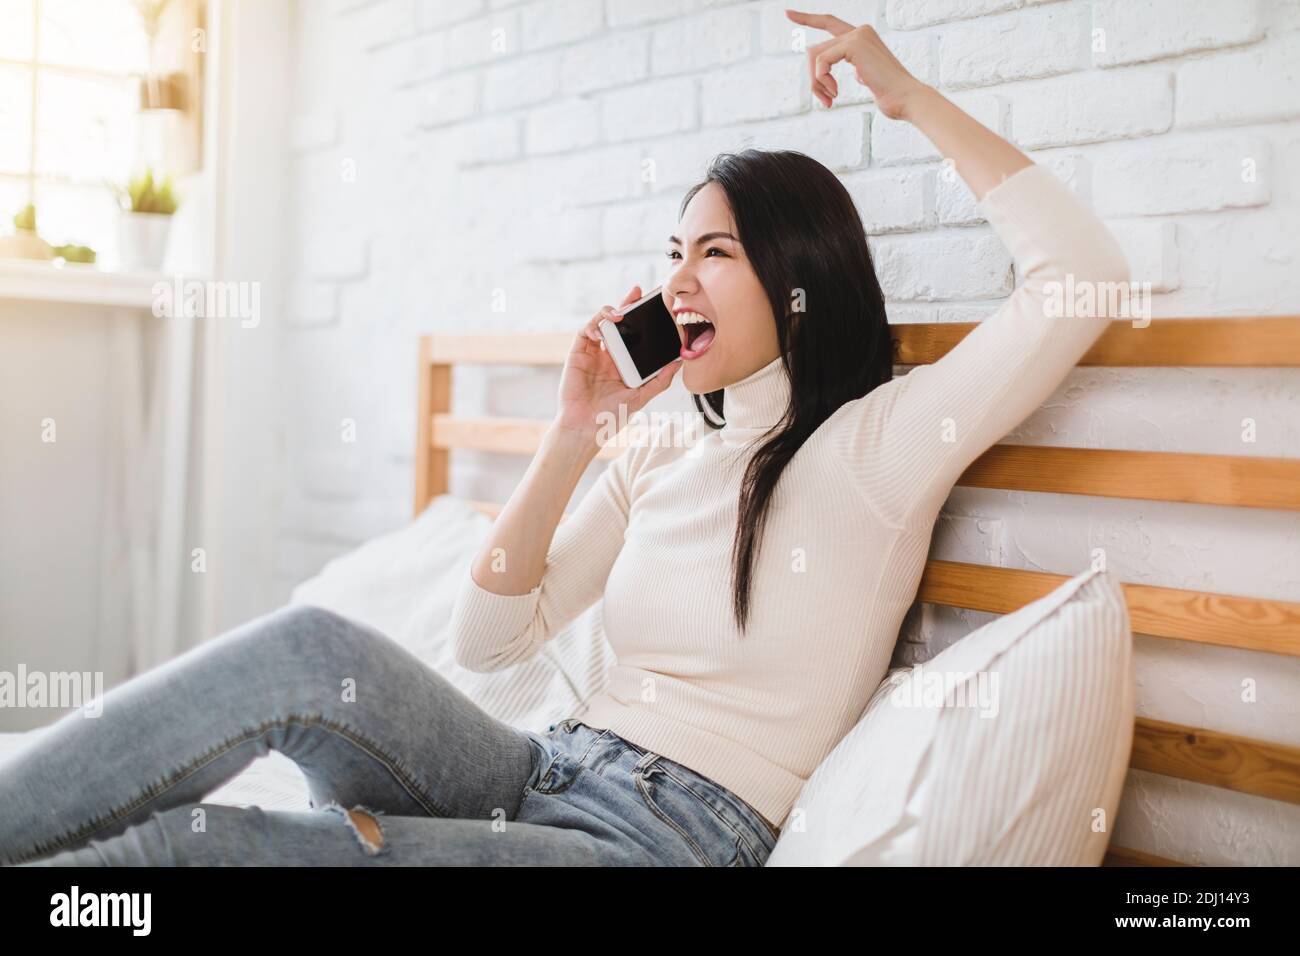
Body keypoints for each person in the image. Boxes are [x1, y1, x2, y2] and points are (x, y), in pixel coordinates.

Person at [0, 12, 1127, 866]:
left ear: (797, 281)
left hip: (664, 838)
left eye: (714, 253)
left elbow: (1078, 281)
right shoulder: (661, 445)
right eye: (672, 249)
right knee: (303, 650)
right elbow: (489, 639)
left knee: (194, 848)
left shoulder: (875, 447)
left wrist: (907, 93)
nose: (676, 278)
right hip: (541, 762)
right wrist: (572, 437)